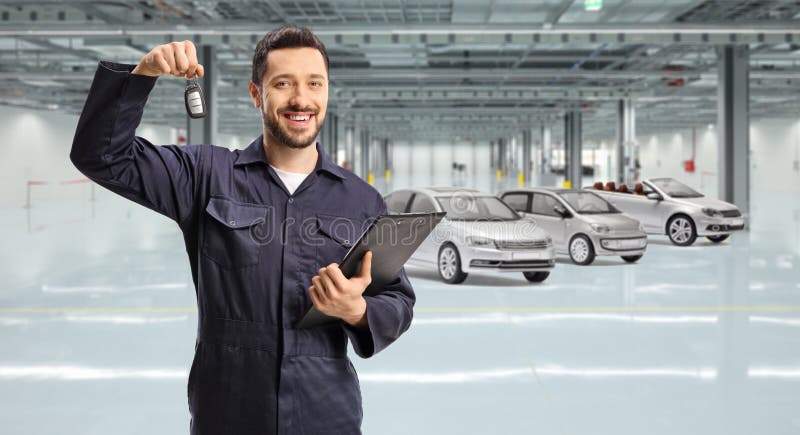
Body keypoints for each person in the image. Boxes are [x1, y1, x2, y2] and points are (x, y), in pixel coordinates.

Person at [70, 26, 415, 435]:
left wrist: (357, 311)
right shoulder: (204, 176)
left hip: (327, 412)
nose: (301, 99)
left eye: (314, 84)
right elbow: (101, 157)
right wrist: (143, 74)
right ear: (257, 94)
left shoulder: (361, 200)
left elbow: (397, 300)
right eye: (282, 83)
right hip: (227, 410)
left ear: (326, 93)